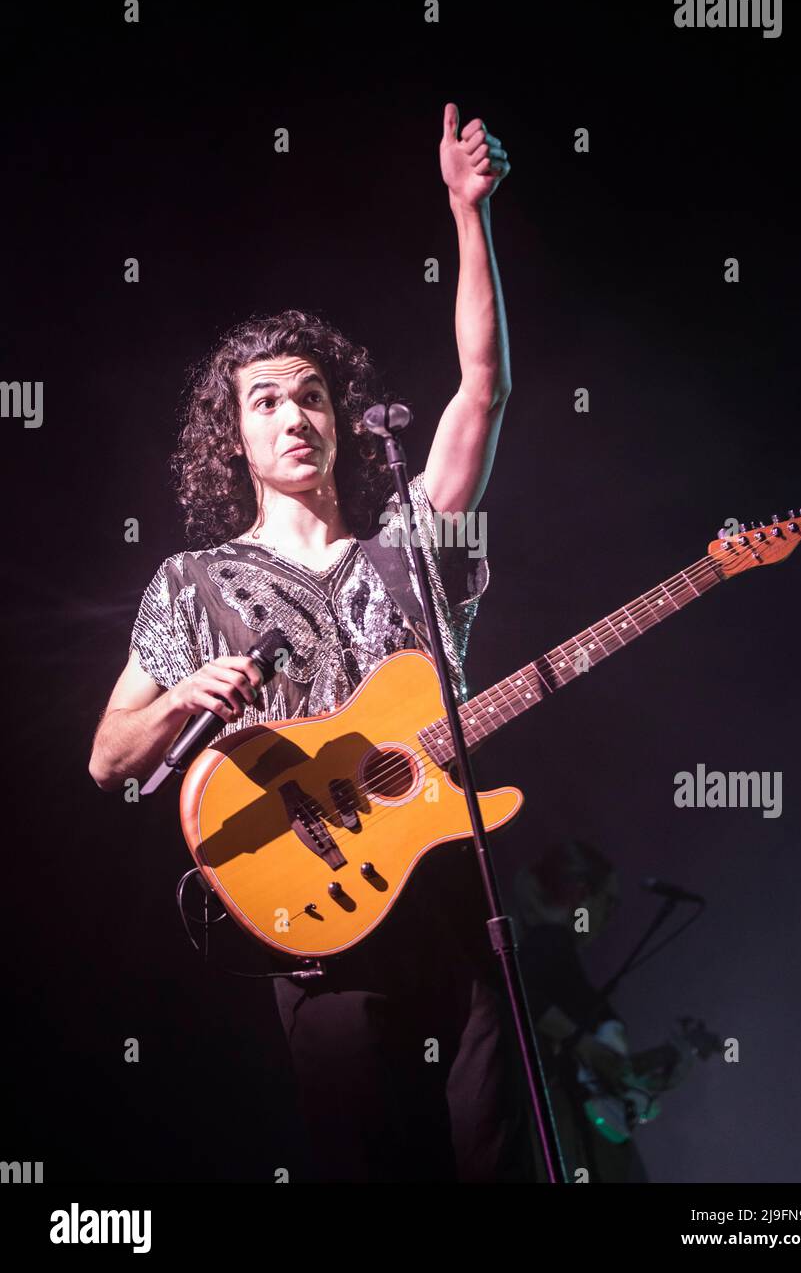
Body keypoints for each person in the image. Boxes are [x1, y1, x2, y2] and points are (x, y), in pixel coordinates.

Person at [89, 104, 535, 1182]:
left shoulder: (411, 547)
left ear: (340, 417)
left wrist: (465, 216)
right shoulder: (191, 582)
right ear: (233, 435)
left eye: (312, 395)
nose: (294, 415)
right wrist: (182, 695)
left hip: (448, 896)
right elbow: (109, 758)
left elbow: (482, 387)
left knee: (499, 1157)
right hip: (317, 917)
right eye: (266, 401)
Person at [510, 839, 695, 1183]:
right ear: (581, 895)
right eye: (608, 904)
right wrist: (584, 1043)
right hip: (575, 1141)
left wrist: (645, 1076)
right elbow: (521, 995)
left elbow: (591, 1071)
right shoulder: (549, 943)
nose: (610, 919)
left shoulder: (555, 951)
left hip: (580, 1139)